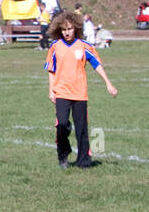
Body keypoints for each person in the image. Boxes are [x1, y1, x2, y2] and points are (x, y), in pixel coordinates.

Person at [44, 10, 116, 168]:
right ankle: (63, 154)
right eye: (64, 29)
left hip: (79, 92)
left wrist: (108, 83)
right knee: (61, 125)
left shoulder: (84, 46)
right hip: (61, 91)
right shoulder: (55, 46)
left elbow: (96, 64)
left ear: (75, 28)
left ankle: (84, 161)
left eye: (69, 29)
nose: (67, 32)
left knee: (82, 128)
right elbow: (51, 69)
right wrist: (51, 90)